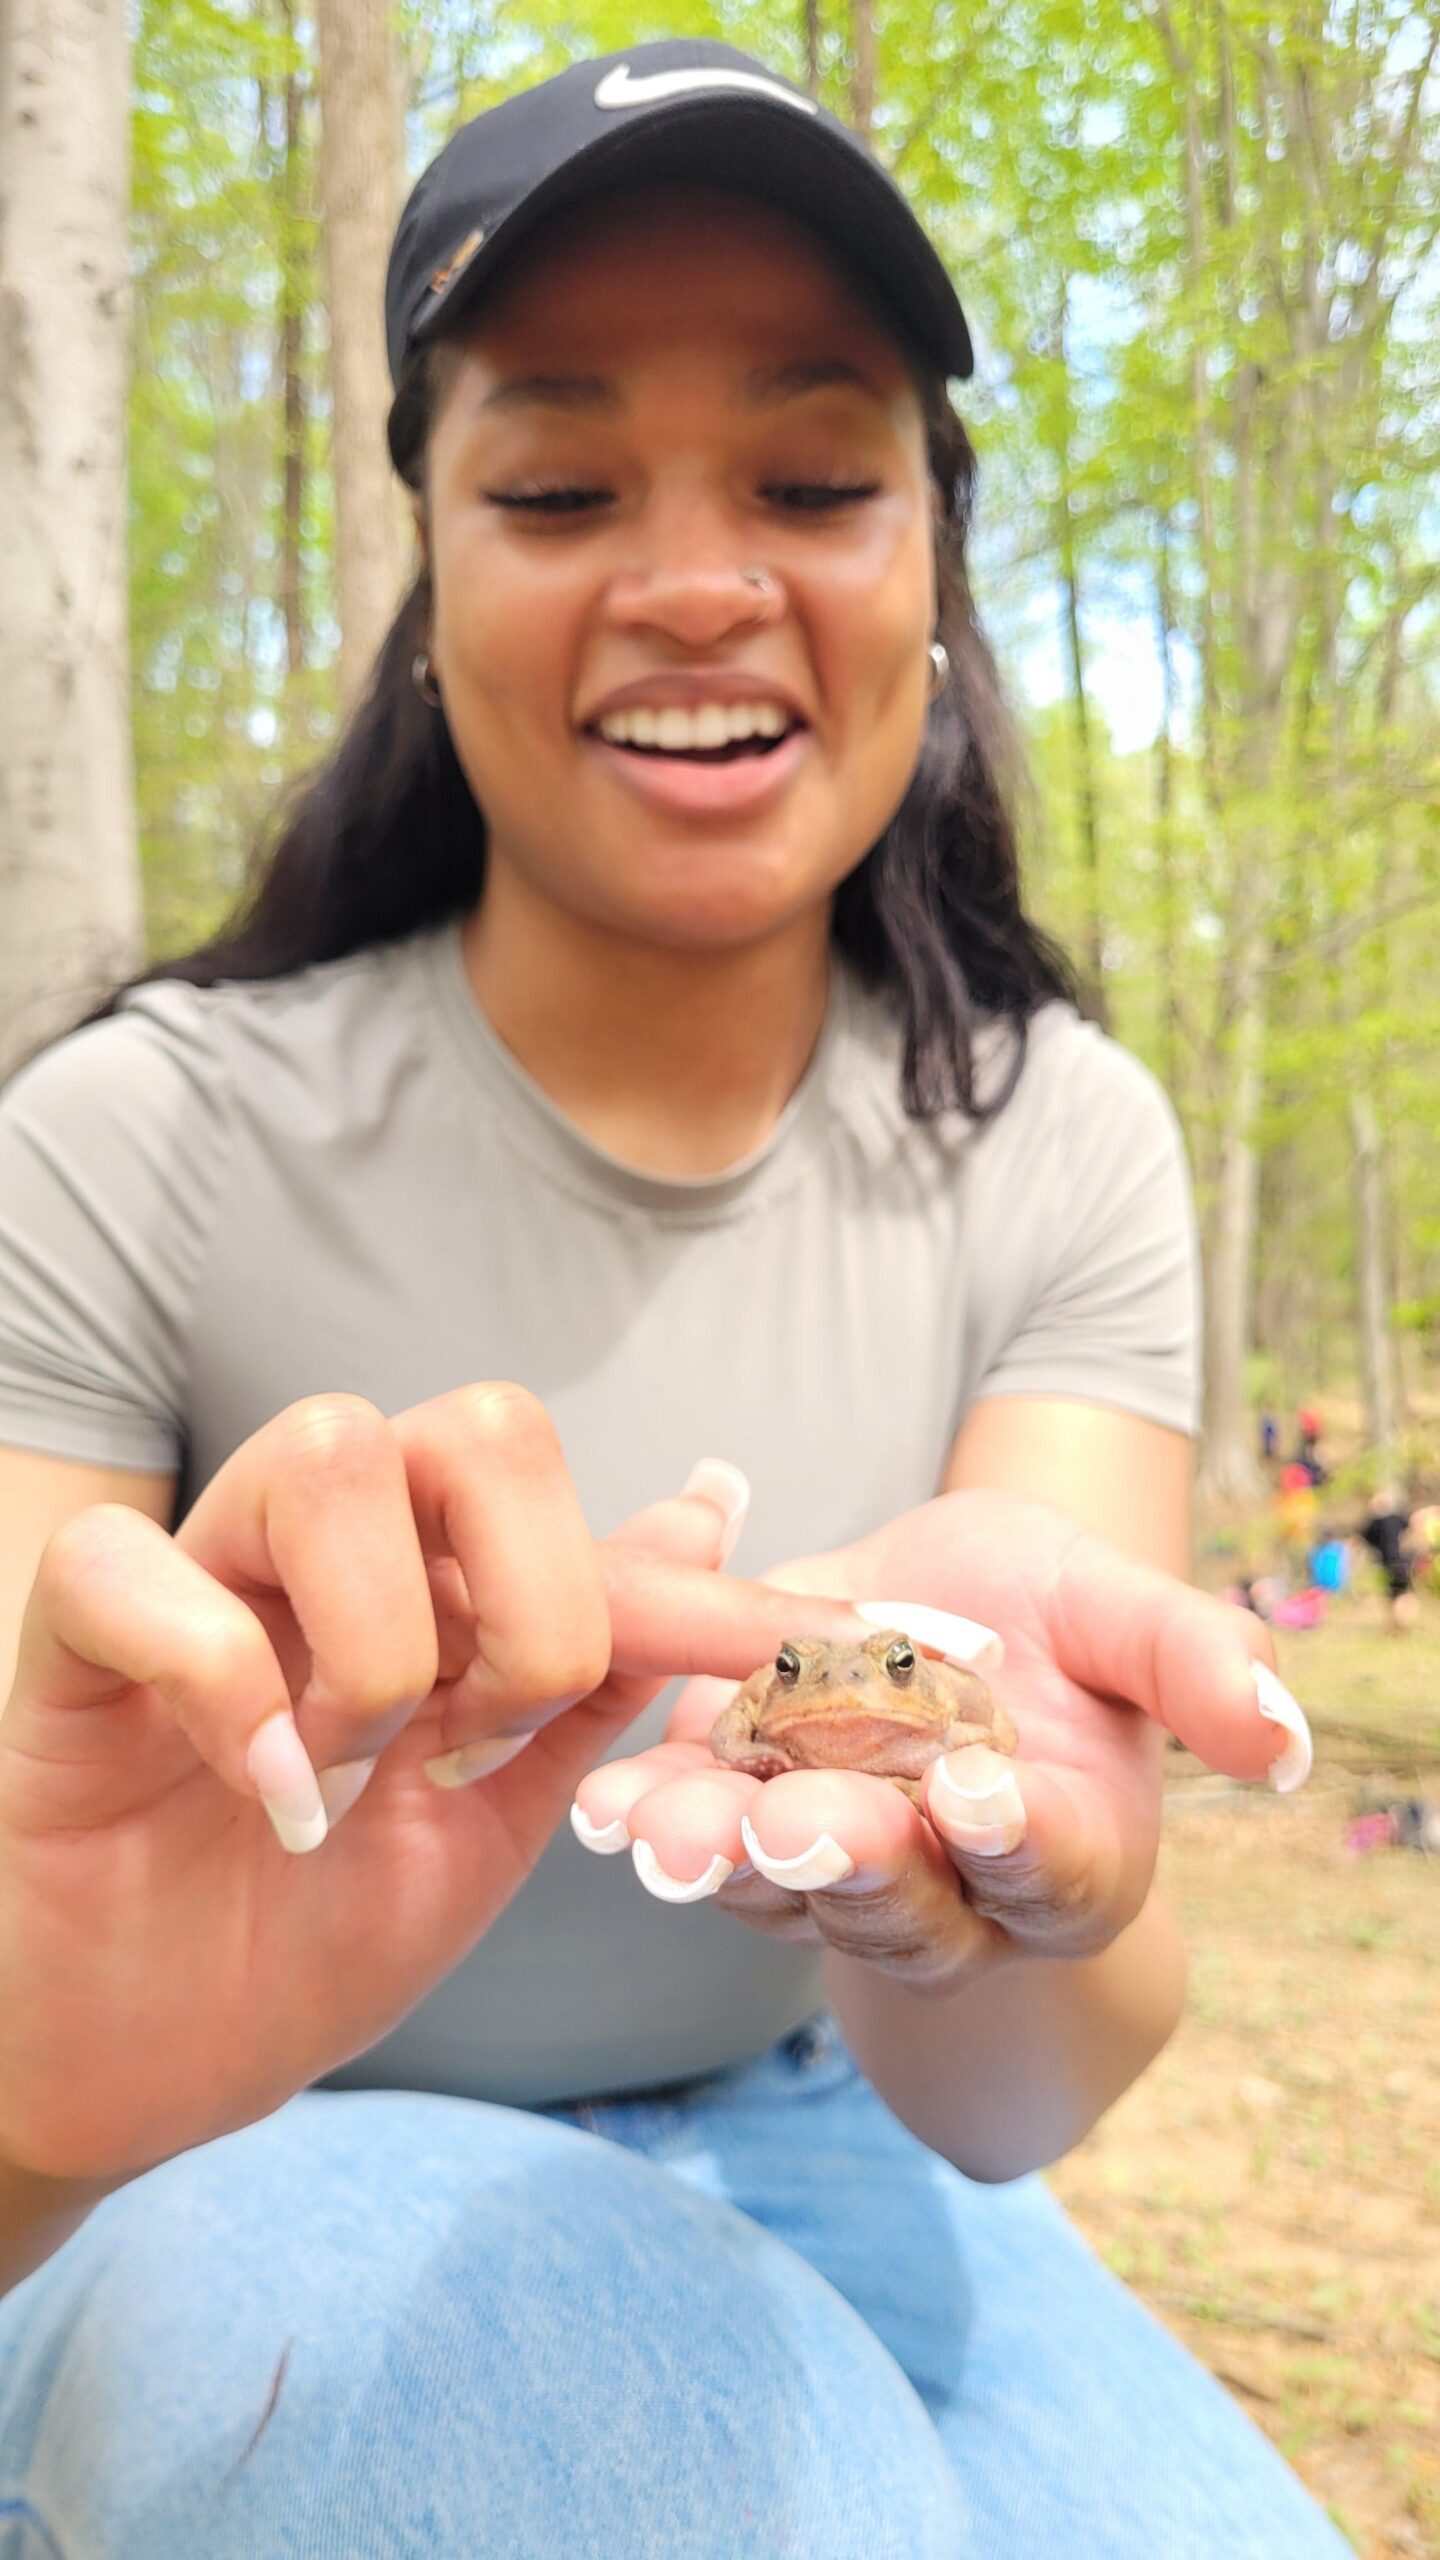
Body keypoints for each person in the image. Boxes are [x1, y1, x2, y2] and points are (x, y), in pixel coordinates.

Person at [0, 39, 1347, 2559]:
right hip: (240, 2144)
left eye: (816, 479)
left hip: (845, 2129)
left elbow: (1014, 2084)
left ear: (930, 562)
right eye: (555, 480)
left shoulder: (1055, 1134)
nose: (700, 578)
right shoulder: (132, 1132)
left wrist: (992, 1861)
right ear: (431, 575)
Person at [1359, 1488, 1418, 1633]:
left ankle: (1395, 1625)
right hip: (1402, 1561)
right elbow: (1412, 1527)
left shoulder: (1373, 1524)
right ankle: (1400, 1624)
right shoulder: (1397, 1518)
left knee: (1393, 1595)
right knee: (1404, 1593)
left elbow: (1365, 1541)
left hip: (1386, 1564)